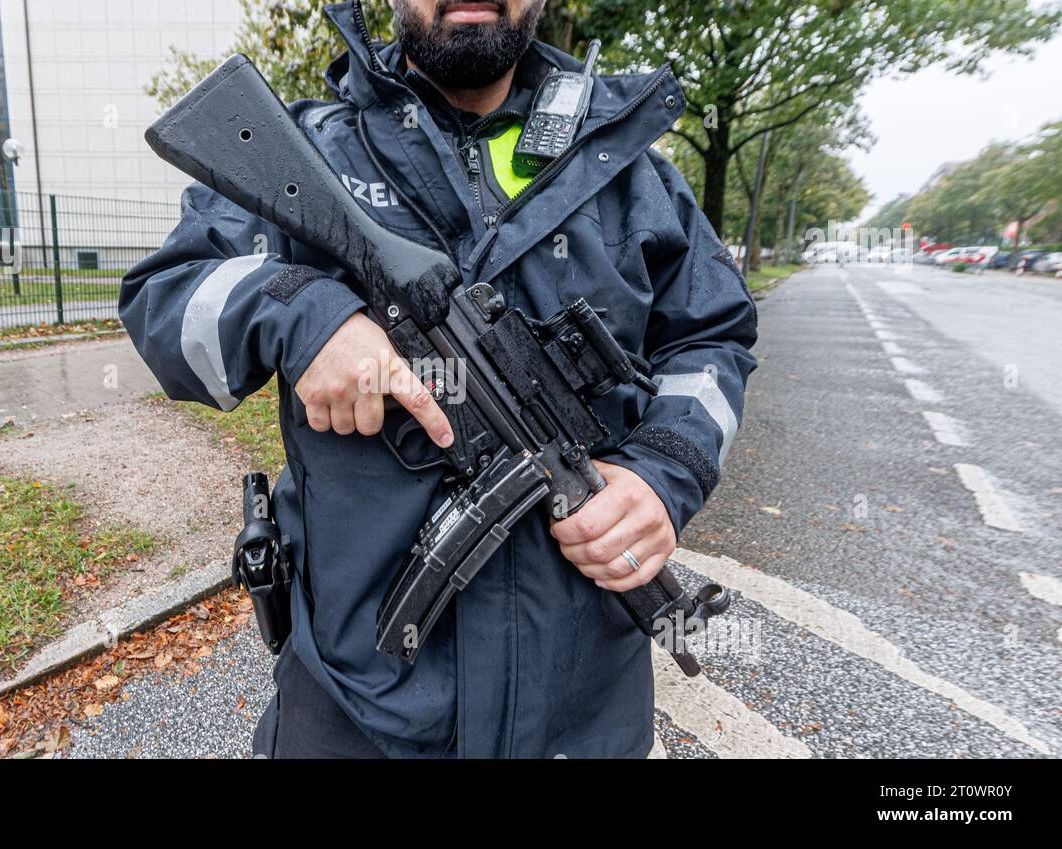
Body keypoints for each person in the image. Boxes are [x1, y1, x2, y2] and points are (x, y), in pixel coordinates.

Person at [120, 0, 758, 758]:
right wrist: (305, 313)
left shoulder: (624, 167)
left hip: (585, 722)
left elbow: (712, 335)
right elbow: (164, 303)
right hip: (355, 715)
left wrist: (663, 472)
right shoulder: (317, 149)